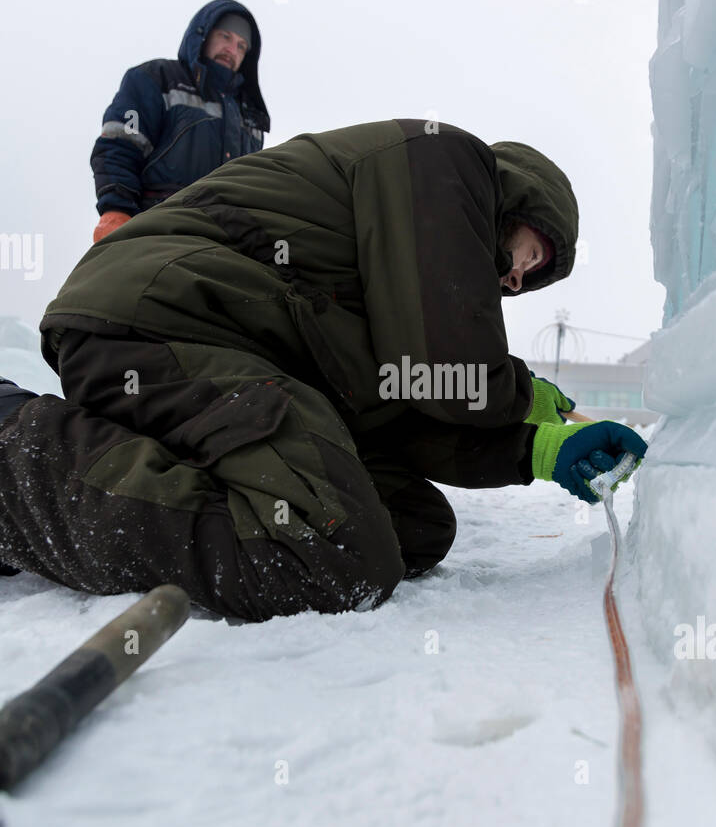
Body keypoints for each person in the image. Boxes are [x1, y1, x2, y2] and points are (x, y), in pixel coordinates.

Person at [0, 119, 646, 619]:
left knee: (409, 527)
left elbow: (395, 409)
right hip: (168, 316)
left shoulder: (384, 277)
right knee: (328, 551)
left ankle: (111, 468)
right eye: (525, 255)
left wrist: (536, 449)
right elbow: (447, 367)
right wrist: (523, 394)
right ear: (512, 202)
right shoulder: (445, 159)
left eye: (525, 280)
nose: (512, 278)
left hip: (231, 351)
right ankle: (12, 454)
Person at [90, 0, 270, 243]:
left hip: (223, 245)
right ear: (203, 35)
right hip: (157, 230)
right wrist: (116, 211)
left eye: (241, 46)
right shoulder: (156, 79)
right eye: (225, 37)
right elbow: (120, 146)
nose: (232, 50)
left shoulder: (249, 116)